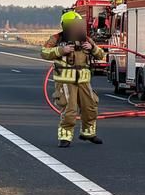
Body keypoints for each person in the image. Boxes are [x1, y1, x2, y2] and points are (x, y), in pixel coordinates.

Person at [40, 10, 106, 146]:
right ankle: (65, 137)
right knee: (69, 111)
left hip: (84, 82)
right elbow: (44, 52)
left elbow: (100, 54)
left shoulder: (86, 39)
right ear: (65, 26)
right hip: (66, 82)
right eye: (73, 25)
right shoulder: (57, 39)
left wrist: (92, 47)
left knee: (90, 107)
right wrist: (60, 50)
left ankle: (88, 133)